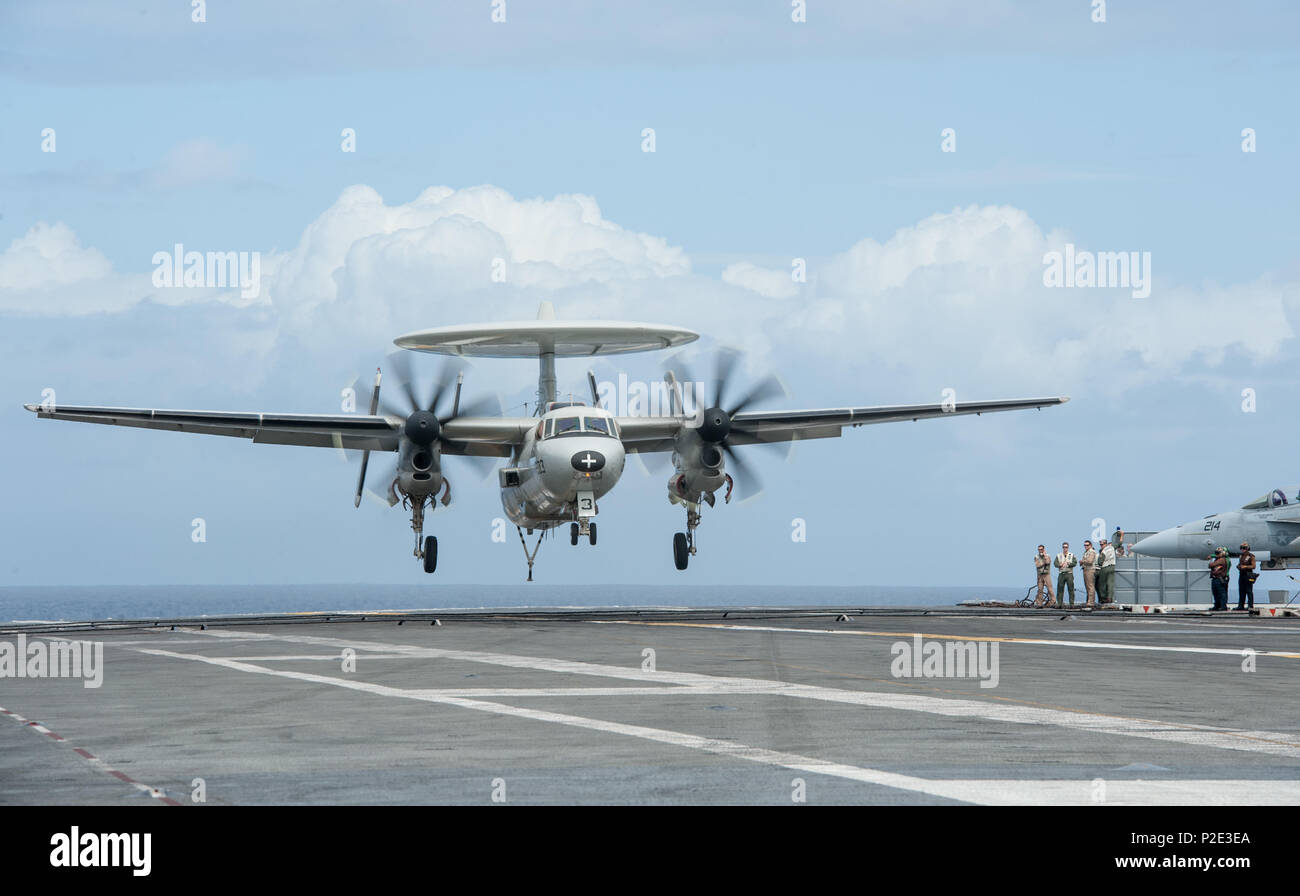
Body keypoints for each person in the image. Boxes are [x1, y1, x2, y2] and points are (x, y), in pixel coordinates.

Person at [1054, 542, 1078, 607]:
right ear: (1062, 548)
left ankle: (1072, 604)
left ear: (1068, 547)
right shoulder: (1059, 555)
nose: (1065, 548)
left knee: (1071, 589)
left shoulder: (1071, 555)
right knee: (1060, 589)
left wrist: (1068, 564)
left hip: (1069, 574)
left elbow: (1075, 563)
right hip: (1061, 574)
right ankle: (1059, 603)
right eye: (1064, 547)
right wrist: (1059, 565)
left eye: (1066, 547)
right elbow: (1055, 563)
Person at [1236, 542, 1257, 611]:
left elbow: (1253, 566)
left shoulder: (1251, 556)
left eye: (1244, 548)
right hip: (1241, 574)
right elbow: (1240, 564)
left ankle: (1250, 606)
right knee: (1241, 591)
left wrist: (1246, 566)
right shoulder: (1241, 556)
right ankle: (1240, 605)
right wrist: (1238, 566)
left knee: (1249, 591)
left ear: (1247, 549)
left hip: (1248, 575)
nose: (1242, 549)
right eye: (1241, 548)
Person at [1096, 539, 1117, 604]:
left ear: (1105, 544)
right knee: (1110, 584)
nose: (1101, 546)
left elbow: (1100, 562)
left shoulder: (1103, 551)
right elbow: (1119, 543)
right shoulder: (1112, 548)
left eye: (1101, 544)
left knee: (1102, 584)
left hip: (1105, 568)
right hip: (1113, 567)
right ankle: (1110, 598)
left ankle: (1104, 598)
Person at [1081, 540, 1098, 607]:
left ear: (1090, 545)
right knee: (1087, 586)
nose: (1086, 546)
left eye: (1087, 545)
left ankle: (1091, 602)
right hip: (1086, 569)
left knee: (1090, 586)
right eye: (1085, 545)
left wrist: (1083, 561)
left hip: (1090, 570)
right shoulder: (1086, 552)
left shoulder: (1092, 552)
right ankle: (1089, 600)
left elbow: (1090, 561)